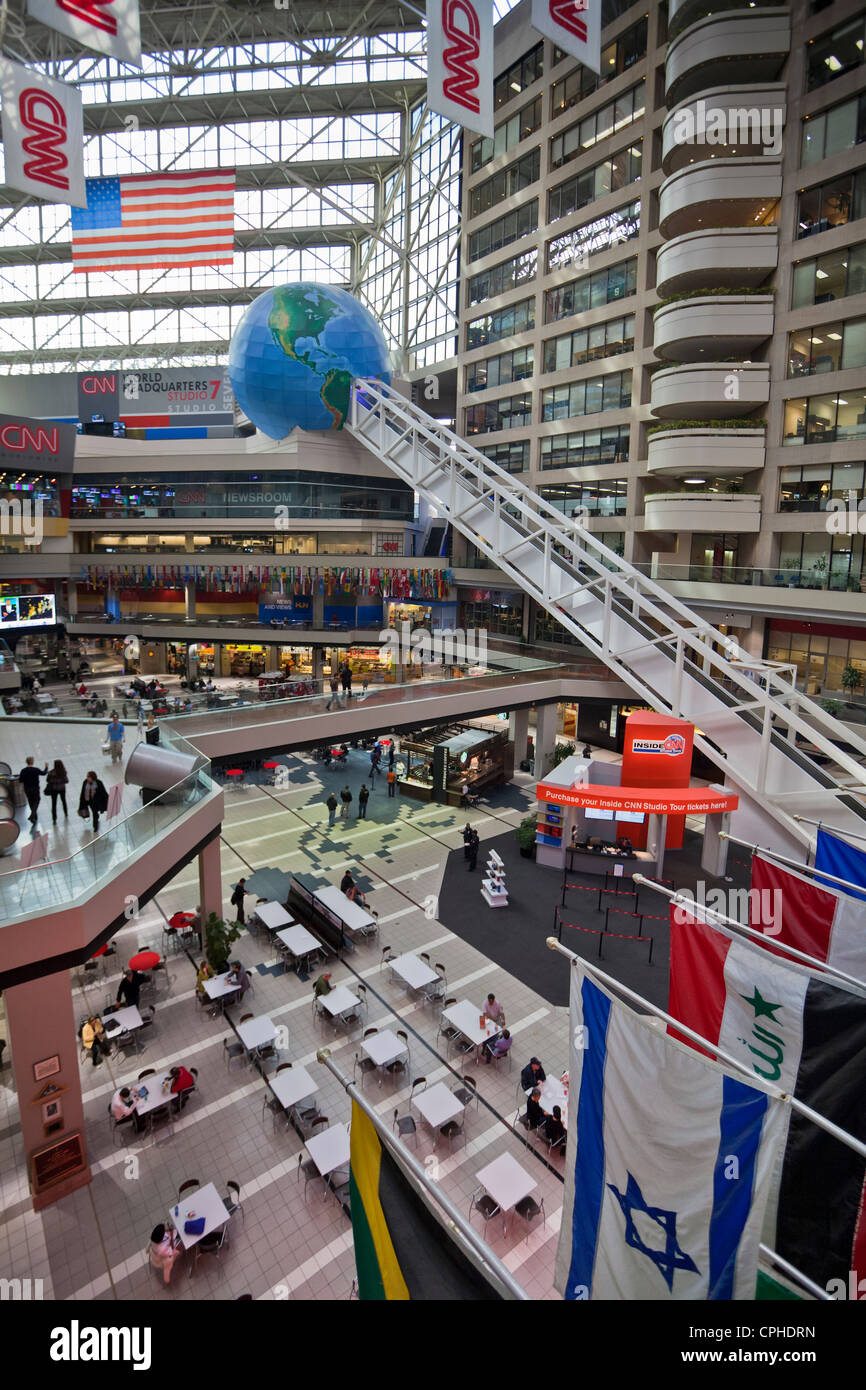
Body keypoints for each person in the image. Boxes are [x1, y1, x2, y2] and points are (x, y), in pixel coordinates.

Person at [18, 757, 48, 823]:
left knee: (31, 801)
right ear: (32, 762)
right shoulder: (35, 769)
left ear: (27, 762)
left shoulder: (23, 770)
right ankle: (32, 815)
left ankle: (34, 816)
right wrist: (46, 767)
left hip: (27, 789)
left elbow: (20, 780)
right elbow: (44, 773)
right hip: (35, 788)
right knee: (37, 800)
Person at [46, 759, 69, 824]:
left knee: (54, 804)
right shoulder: (63, 772)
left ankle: (54, 818)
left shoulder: (51, 773)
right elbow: (66, 781)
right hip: (62, 789)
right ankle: (66, 813)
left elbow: (47, 780)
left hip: (54, 789)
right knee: (63, 801)